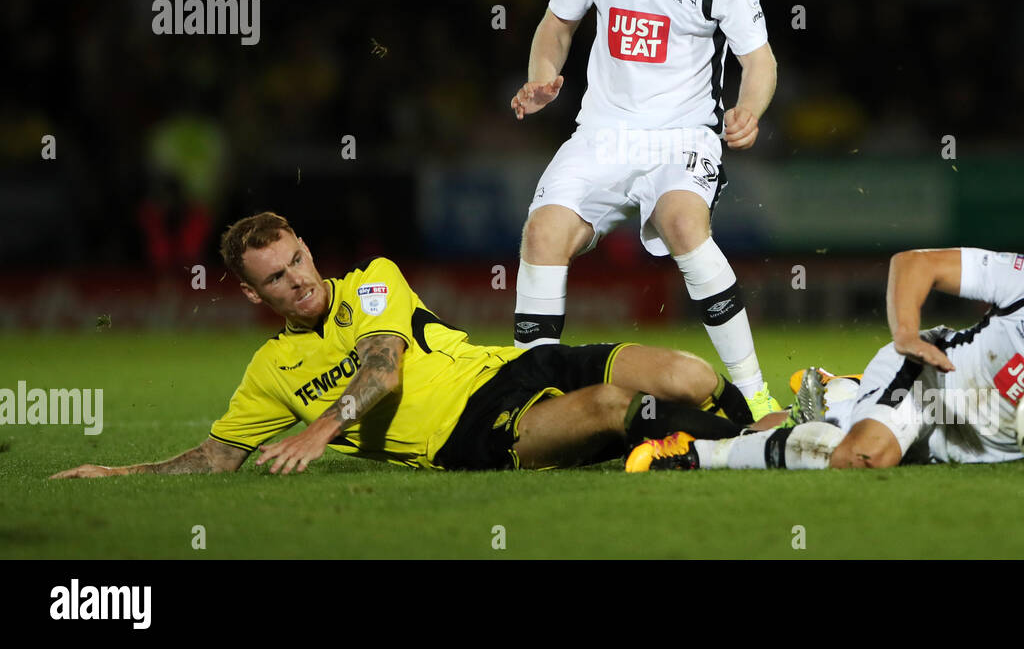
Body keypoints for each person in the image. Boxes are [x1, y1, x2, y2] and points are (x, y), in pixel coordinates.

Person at [51, 211, 752, 478]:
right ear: (251, 293)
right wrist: (119, 475)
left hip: (512, 365)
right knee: (610, 405)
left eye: (296, 258)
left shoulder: (371, 284)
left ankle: (766, 426)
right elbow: (217, 456)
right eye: (276, 278)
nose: (297, 280)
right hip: (467, 434)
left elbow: (381, 369)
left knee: (686, 372)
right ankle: (761, 453)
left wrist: (325, 426)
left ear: (305, 243)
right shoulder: (271, 371)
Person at [509, 0, 782, 419]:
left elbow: (759, 60)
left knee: (686, 223)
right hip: (603, 131)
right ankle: (533, 401)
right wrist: (542, 76)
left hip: (682, 135)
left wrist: (748, 108)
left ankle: (754, 394)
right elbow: (557, 25)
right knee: (542, 235)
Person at [627, 207, 1024, 471]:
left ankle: (833, 396)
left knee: (788, 429)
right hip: (927, 381)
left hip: (954, 445)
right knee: (859, 458)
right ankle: (690, 455)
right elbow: (914, 263)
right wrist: (907, 335)